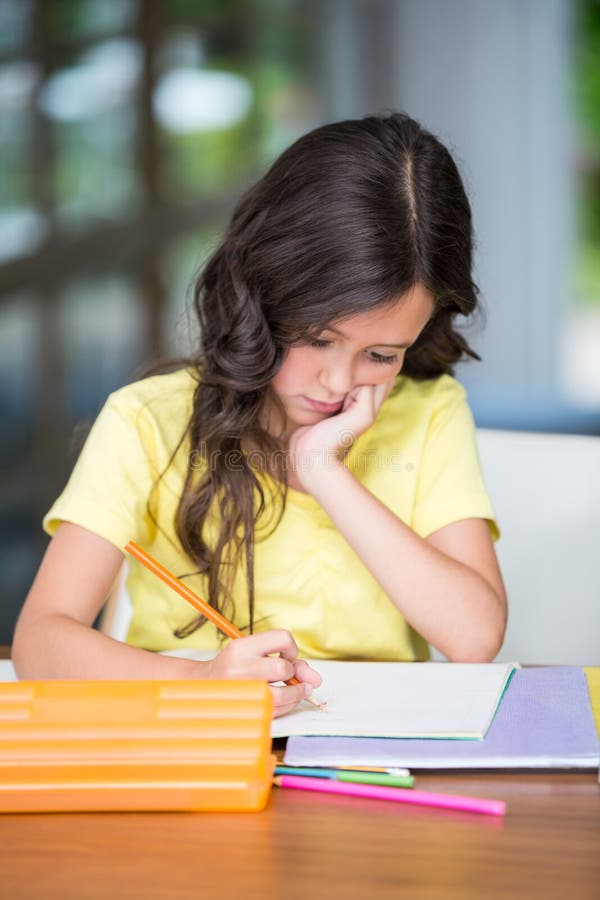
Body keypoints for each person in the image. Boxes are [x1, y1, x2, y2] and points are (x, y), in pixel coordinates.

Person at [12, 112, 507, 717]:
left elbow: (475, 636)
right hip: (187, 738)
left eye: (381, 355)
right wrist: (203, 685)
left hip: (364, 745)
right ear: (262, 292)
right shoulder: (146, 420)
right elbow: (40, 642)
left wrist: (325, 470)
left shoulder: (430, 412)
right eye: (317, 338)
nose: (338, 381)